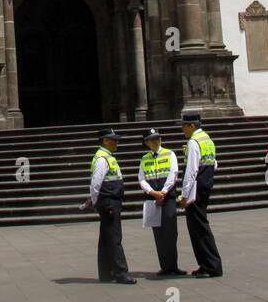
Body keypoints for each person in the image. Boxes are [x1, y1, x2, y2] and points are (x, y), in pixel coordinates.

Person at [82, 129, 135, 284]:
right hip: (109, 201)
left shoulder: (106, 157)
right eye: (113, 139)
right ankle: (121, 272)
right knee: (114, 237)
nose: (116, 142)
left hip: (109, 200)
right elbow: (96, 183)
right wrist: (94, 200)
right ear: (105, 141)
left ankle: (106, 273)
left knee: (106, 238)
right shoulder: (102, 159)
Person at [179, 111, 223, 278]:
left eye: (184, 126)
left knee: (199, 228)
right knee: (200, 226)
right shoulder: (207, 139)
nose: (183, 130)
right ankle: (207, 264)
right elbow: (214, 163)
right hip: (205, 185)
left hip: (195, 189)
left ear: (191, 125)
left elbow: (190, 171)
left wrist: (184, 195)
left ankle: (211, 265)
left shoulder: (194, 142)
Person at [138, 129, 183, 277]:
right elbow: (141, 179)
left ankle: (173, 266)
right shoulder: (144, 159)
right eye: (152, 140)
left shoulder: (169, 154)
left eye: (157, 138)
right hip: (153, 199)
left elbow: (173, 173)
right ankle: (164, 266)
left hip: (167, 197)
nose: (156, 141)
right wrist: (152, 193)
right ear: (146, 143)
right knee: (158, 233)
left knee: (170, 231)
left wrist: (163, 192)